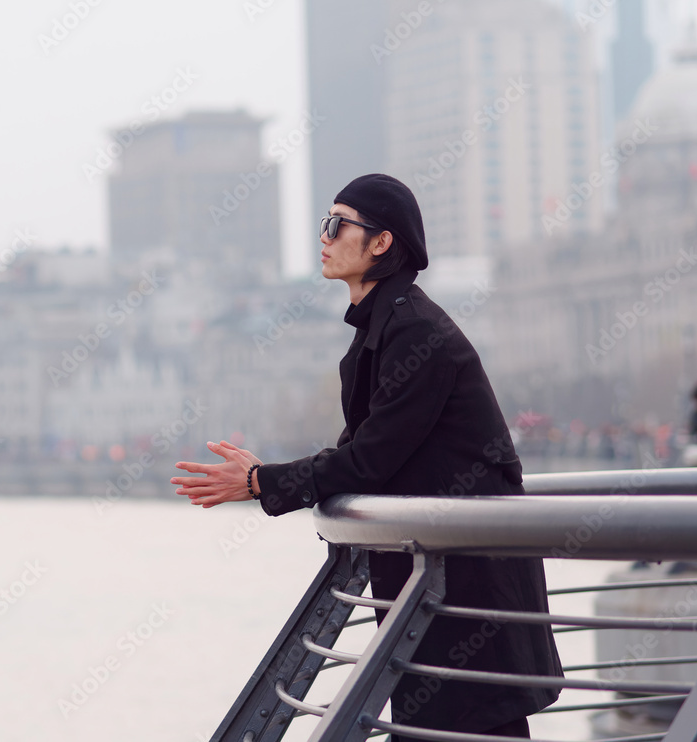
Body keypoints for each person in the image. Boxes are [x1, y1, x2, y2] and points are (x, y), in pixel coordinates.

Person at [170, 174, 563, 739]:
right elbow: (368, 451)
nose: (324, 237)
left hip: (470, 593)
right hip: (441, 585)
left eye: (338, 224)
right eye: (323, 224)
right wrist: (266, 478)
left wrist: (260, 481)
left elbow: (370, 459)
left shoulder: (416, 333)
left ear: (381, 243)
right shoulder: (386, 328)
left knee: (467, 726)